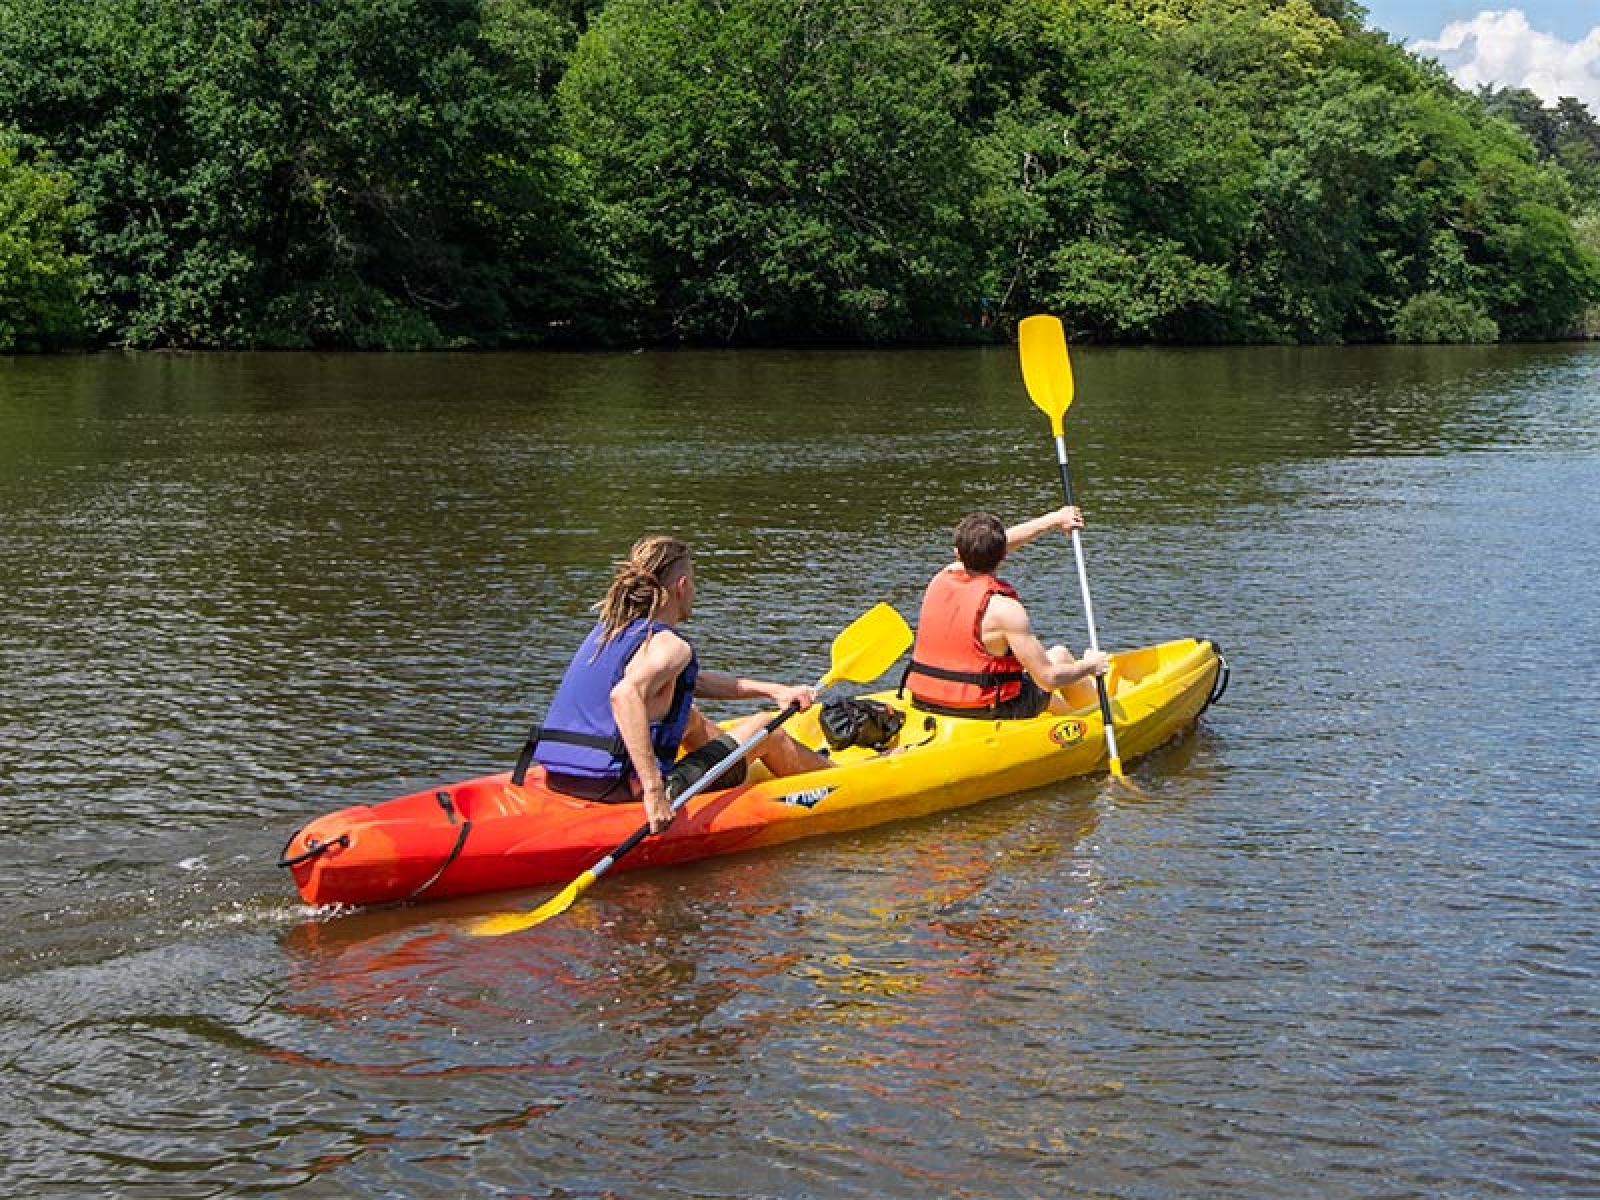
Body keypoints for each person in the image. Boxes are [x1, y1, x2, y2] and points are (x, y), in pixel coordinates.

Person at [533, 535, 832, 833]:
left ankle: (732, 765)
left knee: (687, 716)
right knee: (770, 730)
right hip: (619, 790)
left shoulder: (609, 631)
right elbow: (624, 695)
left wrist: (775, 690)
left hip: (563, 777)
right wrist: (654, 792)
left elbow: (693, 681)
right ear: (682, 586)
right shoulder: (671, 646)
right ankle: (838, 777)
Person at [903, 507, 1110, 719]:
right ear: (1004, 555)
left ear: (958, 553)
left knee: (1040, 691)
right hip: (984, 708)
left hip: (925, 699)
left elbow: (987, 547)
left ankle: (1068, 721)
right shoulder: (1005, 610)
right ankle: (1100, 719)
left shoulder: (940, 579)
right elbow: (1048, 678)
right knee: (1061, 656)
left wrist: (1052, 520)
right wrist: (1091, 665)